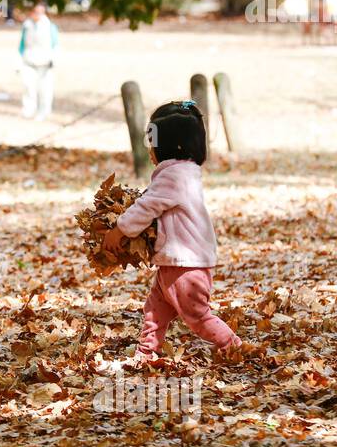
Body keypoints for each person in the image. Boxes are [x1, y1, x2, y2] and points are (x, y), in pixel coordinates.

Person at [100, 101, 244, 366]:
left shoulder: (175, 176)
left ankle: (233, 346)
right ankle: (145, 353)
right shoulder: (184, 172)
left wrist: (119, 229)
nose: (150, 151)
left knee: (197, 316)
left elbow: (147, 206)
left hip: (184, 265)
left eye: (152, 143)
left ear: (170, 146)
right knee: (155, 309)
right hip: (176, 262)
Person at [19, 2, 59, 119]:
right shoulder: (27, 26)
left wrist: (53, 60)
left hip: (45, 62)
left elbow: (55, 45)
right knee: (28, 86)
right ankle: (28, 109)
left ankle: (44, 111)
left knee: (45, 89)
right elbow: (22, 44)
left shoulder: (50, 26)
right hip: (29, 60)